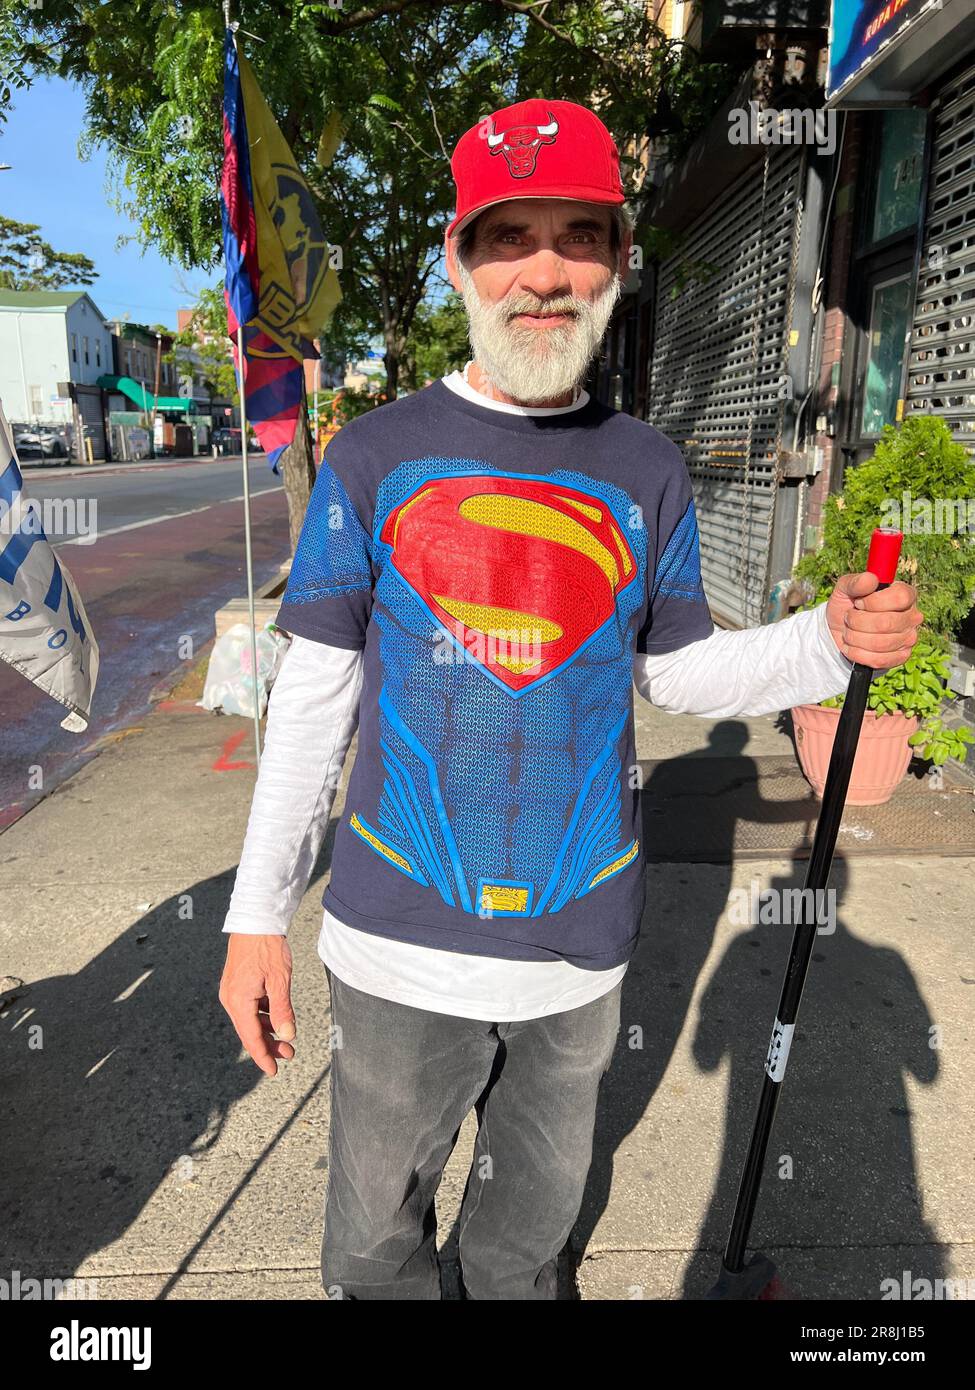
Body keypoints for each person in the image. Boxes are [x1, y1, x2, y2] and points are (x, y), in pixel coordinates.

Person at [218, 98, 922, 1300]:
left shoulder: (646, 466)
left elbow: (677, 668)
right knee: (376, 1248)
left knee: (525, 1252)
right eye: (509, 236)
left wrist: (826, 640)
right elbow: (315, 699)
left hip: (580, 956)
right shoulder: (373, 456)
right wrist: (254, 913)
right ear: (459, 260)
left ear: (617, 260)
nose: (543, 273)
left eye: (578, 235)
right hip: (399, 951)